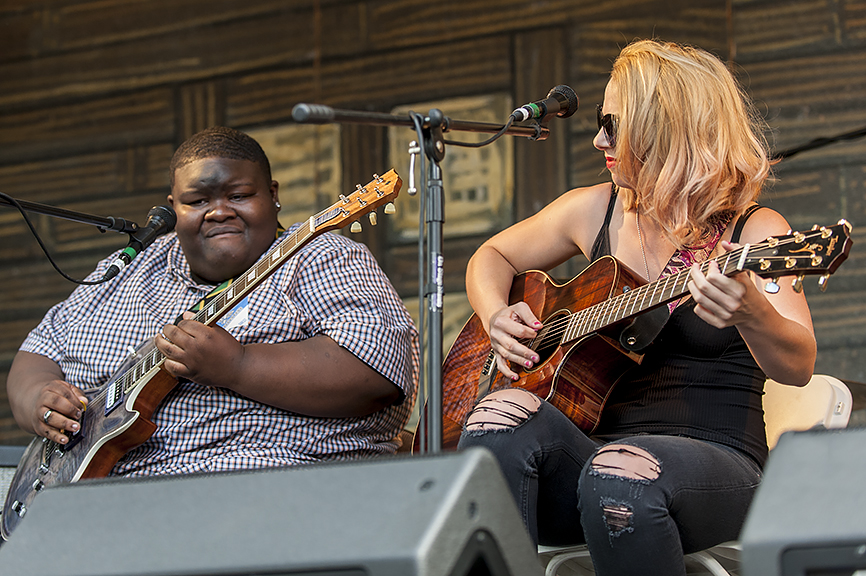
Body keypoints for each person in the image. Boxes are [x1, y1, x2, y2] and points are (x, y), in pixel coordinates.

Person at [457, 40, 816, 575]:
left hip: (713, 465)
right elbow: (492, 255)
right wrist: (495, 315)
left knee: (618, 476)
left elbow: (799, 363)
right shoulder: (595, 209)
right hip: (591, 459)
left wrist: (751, 314)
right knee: (495, 422)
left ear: (666, 130)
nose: (600, 138)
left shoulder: (755, 231)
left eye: (613, 124)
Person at [7, 126, 418, 477]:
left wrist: (238, 365)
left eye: (238, 195)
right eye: (198, 201)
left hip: (262, 490)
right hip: (95, 505)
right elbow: (38, 353)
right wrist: (40, 398)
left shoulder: (319, 255)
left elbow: (379, 374)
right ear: (173, 208)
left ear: (272, 195)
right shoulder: (130, 266)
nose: (219, 212)